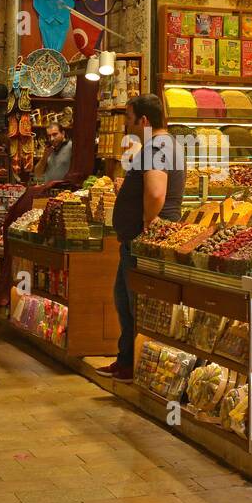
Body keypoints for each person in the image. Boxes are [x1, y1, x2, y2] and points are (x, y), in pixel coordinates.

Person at [99, 94, 186, 382]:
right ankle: (126, 360)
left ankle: (135, 365)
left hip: (143, 241)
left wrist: (149, 223)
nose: (126, 123)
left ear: (144, 120)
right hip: (136, 239)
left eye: (129, 117)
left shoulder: (158, 145)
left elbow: (156, 191)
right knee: (124, 298)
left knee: (135, 303)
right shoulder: (161, 144)